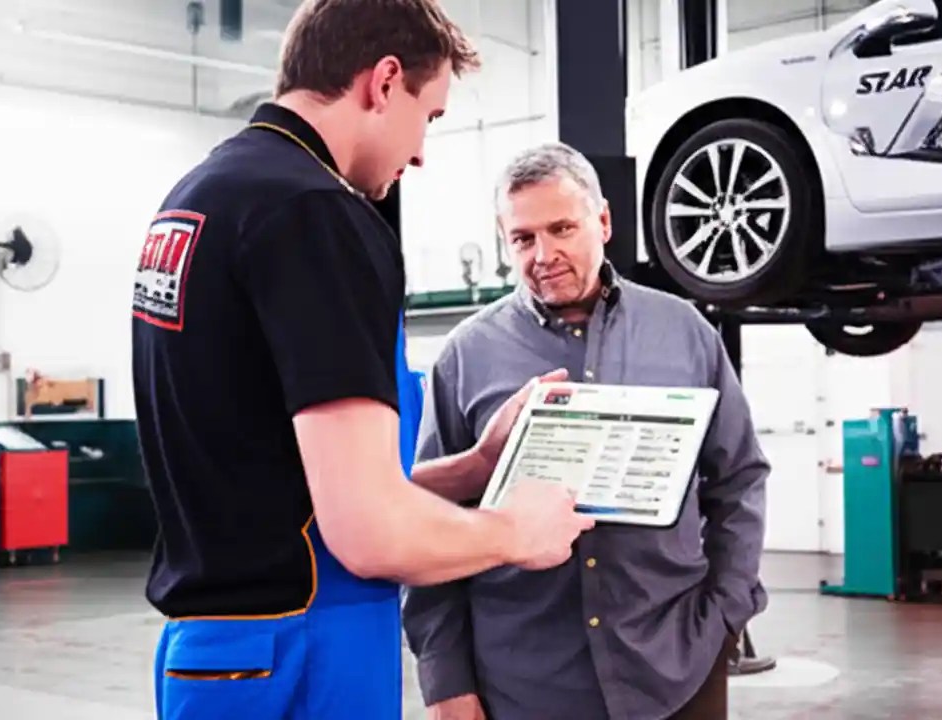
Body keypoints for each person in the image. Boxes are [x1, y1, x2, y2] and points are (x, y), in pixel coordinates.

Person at [129, 3, 593, 719]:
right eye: (429, 117)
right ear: (383, 82)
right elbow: (369, 531)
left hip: (218, 656)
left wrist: (472, 467)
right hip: (305, 648)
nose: (420, 154)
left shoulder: (202, 198)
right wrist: (516, 532)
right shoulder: (315, 214)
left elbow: (293, 484)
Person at [403, 142, 772, 720]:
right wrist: (446, 679)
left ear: (602, 221)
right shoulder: (466, 356)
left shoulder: (685, 333)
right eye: (523, 238)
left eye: (561, 229)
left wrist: (728, 608)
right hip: (524, 682)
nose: (544, 254)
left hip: (676, 667)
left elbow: (740, 477)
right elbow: (430, 524)